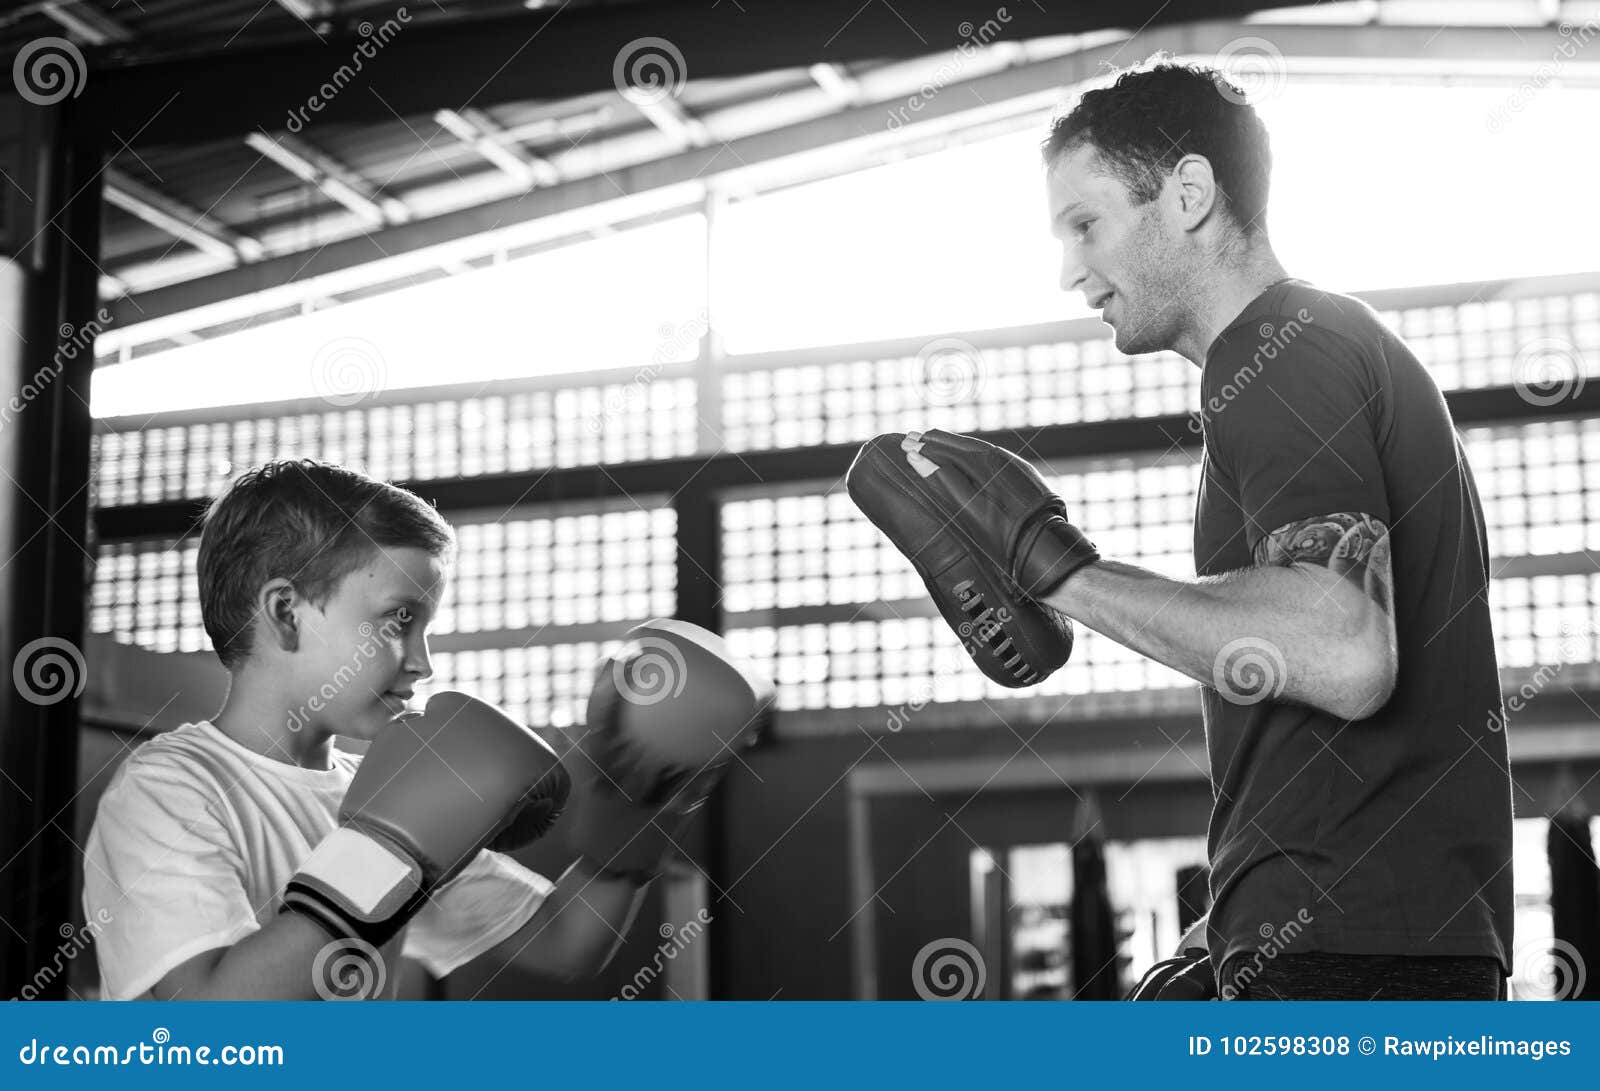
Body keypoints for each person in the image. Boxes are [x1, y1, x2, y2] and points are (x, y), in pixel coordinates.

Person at [856, 59, 1512, 1000]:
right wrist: (1228, 930)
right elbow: (1320, 746)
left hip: (1356, 962)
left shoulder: (1286, 350)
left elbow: (1345, 649)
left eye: (1086, 224)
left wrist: (1055, 570)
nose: (1070, 270)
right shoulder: (1305, 357)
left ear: (1189, 195)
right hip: (1357, 948)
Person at [82, 459, 770, 1000]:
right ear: (287, 612)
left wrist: (637, 801)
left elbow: (565, 942)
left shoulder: (387, 788)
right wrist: (387, 849)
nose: (424, 661)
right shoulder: (171, 789)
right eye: (396, 619)